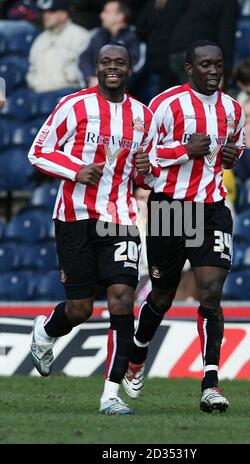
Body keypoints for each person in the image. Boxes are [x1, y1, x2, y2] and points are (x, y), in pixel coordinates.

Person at [28, 42, 158, 416]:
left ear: (129, 68)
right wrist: (76, 170)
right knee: (80, 308)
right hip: (74, 217)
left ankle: (110, 396)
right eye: (106, 62)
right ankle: (46, 331)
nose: (112, 67)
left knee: (121, 298)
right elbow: (38, 150)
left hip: (119, 216)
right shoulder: (75, 105)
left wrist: (147, 169)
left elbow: (143, 173)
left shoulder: (143, 116)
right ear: (97, 68)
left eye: (119, 61)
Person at [122, 40, 245, 413]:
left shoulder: (232, 109)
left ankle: (211, 384)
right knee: (162, 295)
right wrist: (182, 150)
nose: (213, 71)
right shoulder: (164, 105)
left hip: (211, 207)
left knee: (210, 292)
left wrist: (231, 156)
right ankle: (136, 357)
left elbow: (236, 149)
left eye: (218, 64)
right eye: (205, 64)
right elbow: (141, 161)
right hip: (170, 207)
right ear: (189, 68)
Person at [79, 0, 145, 91]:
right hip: (93, 87)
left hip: (126, 91)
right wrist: (89, 78)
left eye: (107, 12)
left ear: (120, 16)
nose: (101, 15)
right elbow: (84, 59)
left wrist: (107, 81)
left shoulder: (133, 36)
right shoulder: (97, 35)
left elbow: (137, 65)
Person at [26, 0, 90, 92]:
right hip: (40, 95)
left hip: (69, 93)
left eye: (51, 12)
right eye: (44, 12)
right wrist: (35, 83)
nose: (46, 16)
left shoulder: (80, 35)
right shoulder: (40, 40)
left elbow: (88, 68)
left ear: (64, 14)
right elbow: (31, 70)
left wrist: (69, 78)